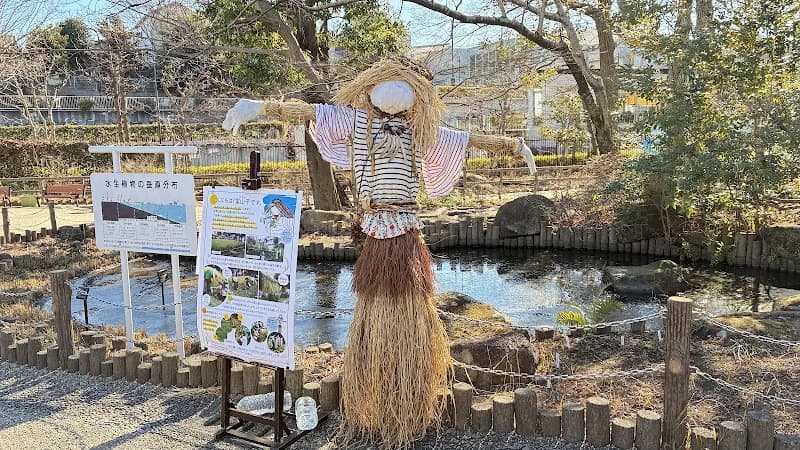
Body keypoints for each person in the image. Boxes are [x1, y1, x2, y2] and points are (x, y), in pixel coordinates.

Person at [222, 57, 536, 447]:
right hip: (373, 229)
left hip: (405, 232)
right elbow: (309, 112)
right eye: (384, 84)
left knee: (411, 306)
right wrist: (261, 107)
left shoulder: (420, 131)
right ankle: (372, 398)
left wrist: (513, 144)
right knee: (371, 306)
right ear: (368, 89)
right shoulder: (354, 123)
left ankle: (410, 400)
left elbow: (465, 138)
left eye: (401, 85)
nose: (392, 92)